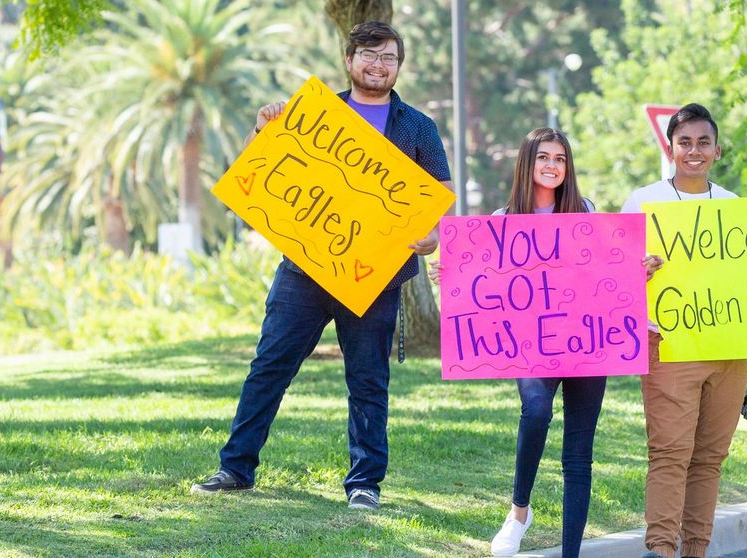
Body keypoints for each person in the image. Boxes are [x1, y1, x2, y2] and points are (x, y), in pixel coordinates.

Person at [190, 21, 451, 513]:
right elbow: (253, 170)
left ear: (399, 66)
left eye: (389, 58)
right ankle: (235, 468)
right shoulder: (311, 115)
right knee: (269, 366)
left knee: (369, 381)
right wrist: (262, 129)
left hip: (376, 275)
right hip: (304, 270)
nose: (378, 65)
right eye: (369, 55)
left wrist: (432, 237)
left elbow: (436, 200)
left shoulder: (419, 127)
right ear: (349, 61)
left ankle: (364, 483)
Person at [428, 128, 604, 557]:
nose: (552, 166)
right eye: (544, 157)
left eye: (561, 159)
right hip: (533, 345)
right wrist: (452, 276)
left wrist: (639, 270)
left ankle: (571, 553)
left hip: (586, 342)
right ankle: (519, 511)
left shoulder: (585, 211)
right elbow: (484, 282)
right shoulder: (501, 221)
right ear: (527, 163)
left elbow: (603, 270)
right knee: (537, 410)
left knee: (578, 457)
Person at [619, 103, 747, 558]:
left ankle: (695, 549)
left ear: (717, 150)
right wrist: (639, 273)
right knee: (671, 453)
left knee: (710, 458)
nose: (694, 151)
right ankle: (660, 549)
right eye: (685, 143)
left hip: (729, 348)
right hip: (668, 344)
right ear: (670, 147)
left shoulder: (733, 206)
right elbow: (609, 278)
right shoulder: (642, 200)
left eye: (703, 143)